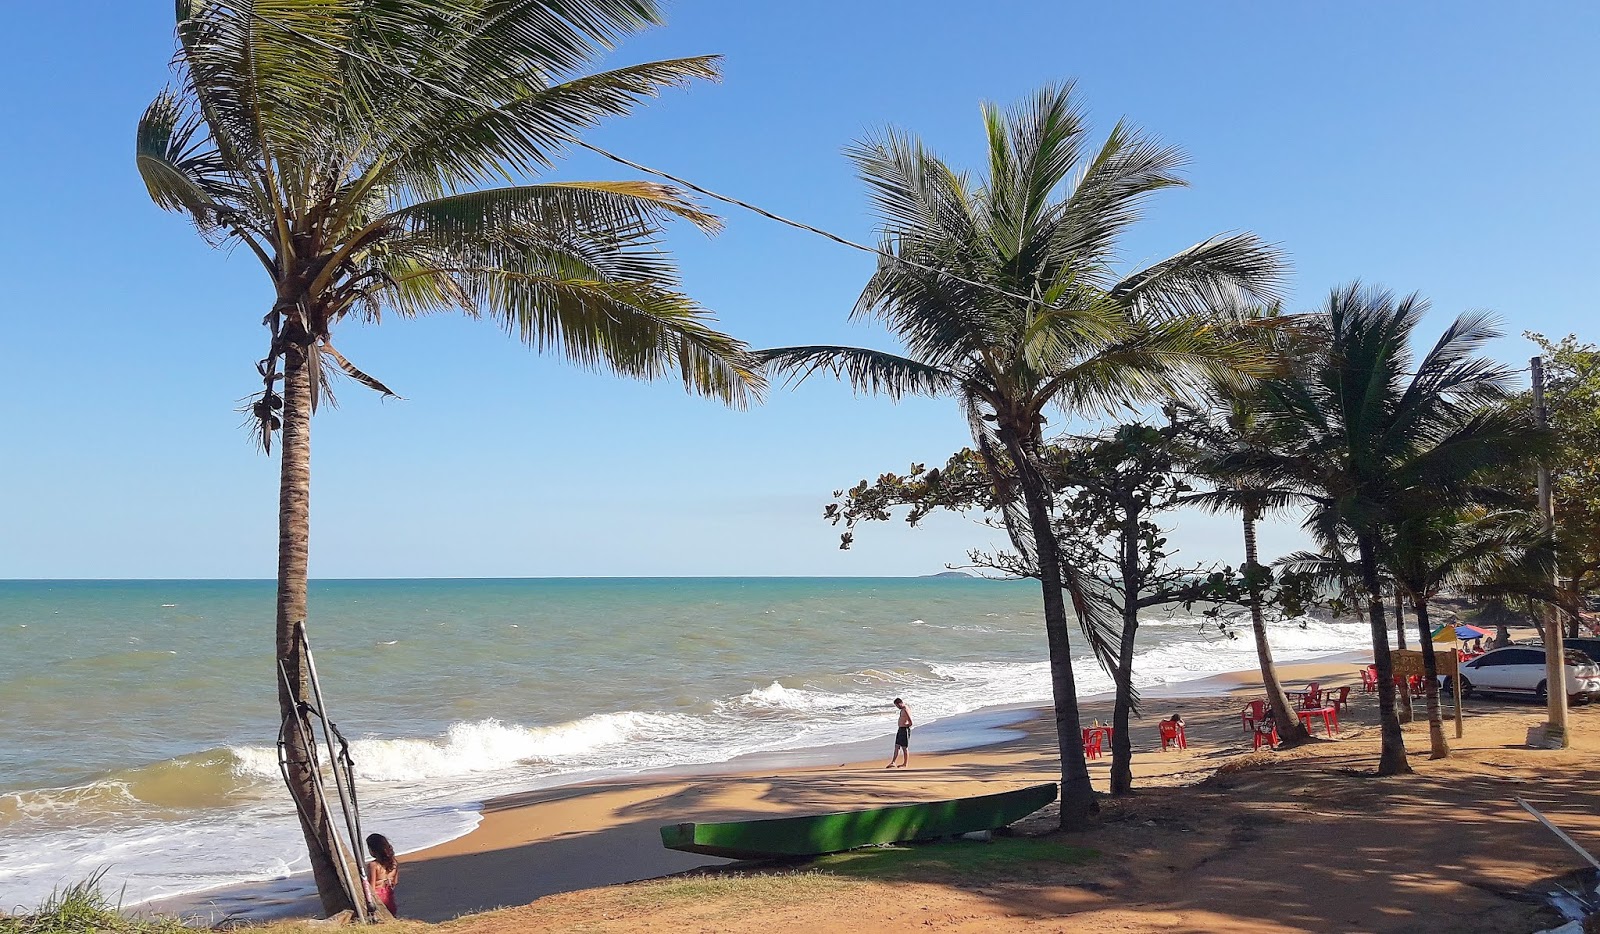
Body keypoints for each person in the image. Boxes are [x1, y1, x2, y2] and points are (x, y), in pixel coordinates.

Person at [366, 832, 399, 917]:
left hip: (378, 897)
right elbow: (395, 882)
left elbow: (371, 886)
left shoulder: (373, 865)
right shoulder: (394, 863)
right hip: (389, 896)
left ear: (373, 850)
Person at [885, 697, 912, 768]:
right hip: (900, 729)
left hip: (904, 730)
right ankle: (893, 762)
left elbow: (910, 721)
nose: (897, 707)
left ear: (899, 703)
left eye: (897, 705)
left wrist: (906, 726)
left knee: (904, 748)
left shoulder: (905, 709)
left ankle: (905, 764)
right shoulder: (903, 709)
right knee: (897, 746)